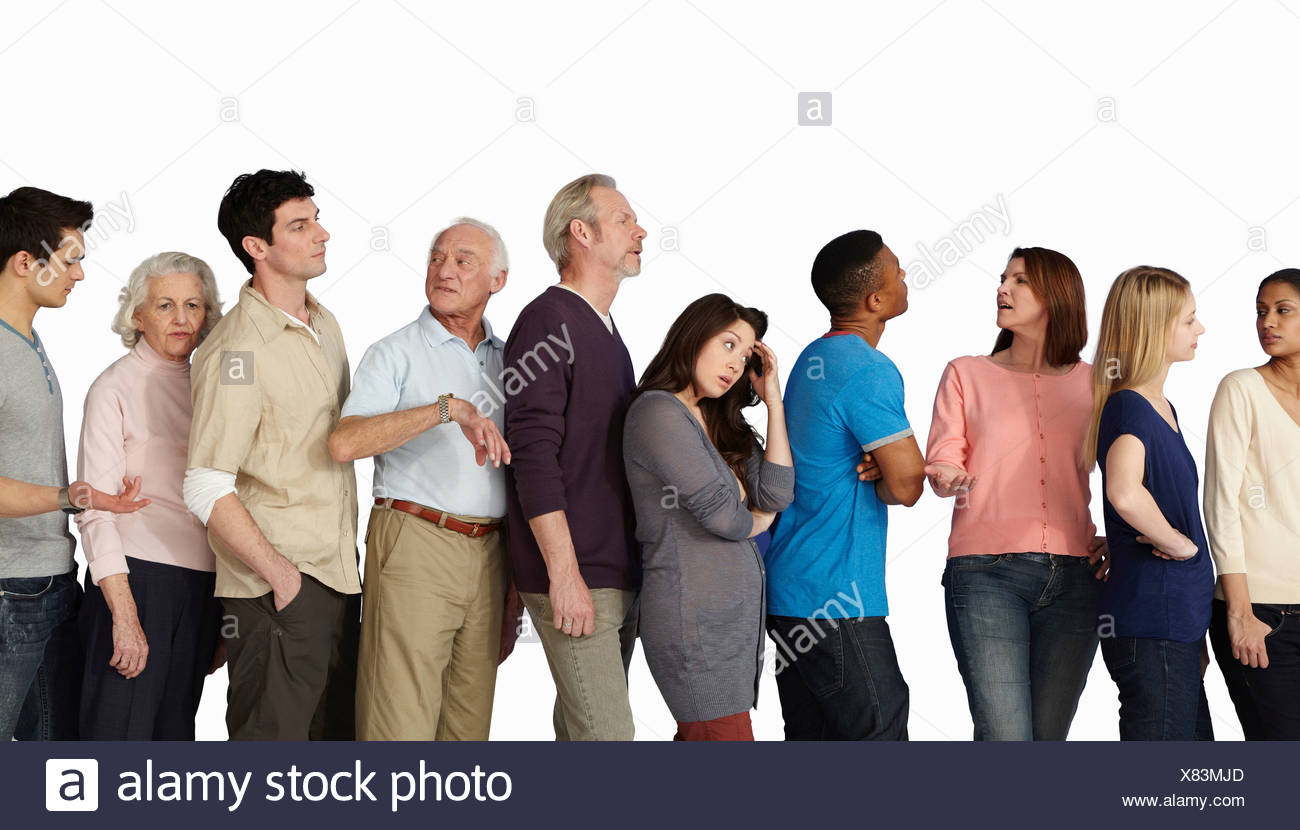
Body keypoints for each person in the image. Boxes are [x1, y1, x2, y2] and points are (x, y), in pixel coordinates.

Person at [184, 169, 360, 740]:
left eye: (317, 219)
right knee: (270, 765)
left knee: (331, 764)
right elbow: (206, 484)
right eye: (301, 225)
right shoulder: (237, 351)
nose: (323, 234)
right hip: (278, 590)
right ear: (256, 248)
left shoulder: (323, 322)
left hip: (336, 578)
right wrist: (282, 577)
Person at [330, 218, 512, 740]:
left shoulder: (509, 358)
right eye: (436, 257)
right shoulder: (395, 351)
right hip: (415, 544)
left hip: (489, 553)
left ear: (497, 280)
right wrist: (445, 409)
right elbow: (345, 443)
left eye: (462, 260)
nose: (443, 270)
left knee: (467, 730)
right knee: (399, 727)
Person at [925, 247, 1105, 741]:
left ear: (1058, 296)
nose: (1002, 288)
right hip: (986, 573)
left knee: (1047, 739)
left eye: (1019, 281)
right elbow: (943, 454)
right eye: (1003, 278)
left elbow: (1127, 469)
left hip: (1077, 575)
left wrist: (1119, 536)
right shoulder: (966, 373)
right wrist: (945, 475)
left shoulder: (1095, 383)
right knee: (1006, 738)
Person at [764, 229, 925, 741]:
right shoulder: (868, 371)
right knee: (880, 738)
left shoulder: (813, 361)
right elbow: (908, 486)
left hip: (790, 594)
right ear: (875, 300)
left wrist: (881, 464)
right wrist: (886, 472)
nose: (905, 277)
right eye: (897, 271)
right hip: (837, 601)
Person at [504, 173, 646, 740]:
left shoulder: (609, 333)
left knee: (582, 735)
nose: (640, 232)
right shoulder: (548, 321)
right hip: (578, 572)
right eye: (623, 220)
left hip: (616, 570)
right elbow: (532, 457)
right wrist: (564, 575)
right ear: (580, 232)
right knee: (609, 738)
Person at [0, 186, 144, 741]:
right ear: (24, 263)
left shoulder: (27, 340)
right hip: (11, 587)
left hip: (52, 579)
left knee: (59, 759)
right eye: (71, 259)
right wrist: (72, 496)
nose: (80, 275)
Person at [624, 294, 794, 741]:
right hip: (692, 627)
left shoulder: (721, 422)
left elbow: (777, 491)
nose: (736, 363)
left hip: (733, 634)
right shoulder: (657, 412)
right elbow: (728, 521)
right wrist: (756, 519)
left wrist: (773, 403)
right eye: (728, 344)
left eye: (746, 353)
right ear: (694, 336)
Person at [76, 252, 227, 740]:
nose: (182, 320)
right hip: (135, 581)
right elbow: (93, 512)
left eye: (193, 305)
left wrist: (224, 609)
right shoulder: (113, 387)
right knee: (117, 743)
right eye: (165, 306)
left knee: (174, 741)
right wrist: (124, 614)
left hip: (201, 588)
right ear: (137, 315)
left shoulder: (214, 387)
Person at [1085, 265, 1214, 741]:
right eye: (1189, 320)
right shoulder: (1129, 405)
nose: (1200, 329)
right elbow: (1124, 491)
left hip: (1173, 622)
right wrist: (1179, 546)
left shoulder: (1159, 407)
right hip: (1151, 618)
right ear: (1155, 327)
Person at [1205, 268, 1300, 741]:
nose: (1268, 322)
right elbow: (1221, 504)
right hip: (1262, 613)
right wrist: (1239, 613)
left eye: (1283, 311)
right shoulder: (1240, 388)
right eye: (1262, 312)